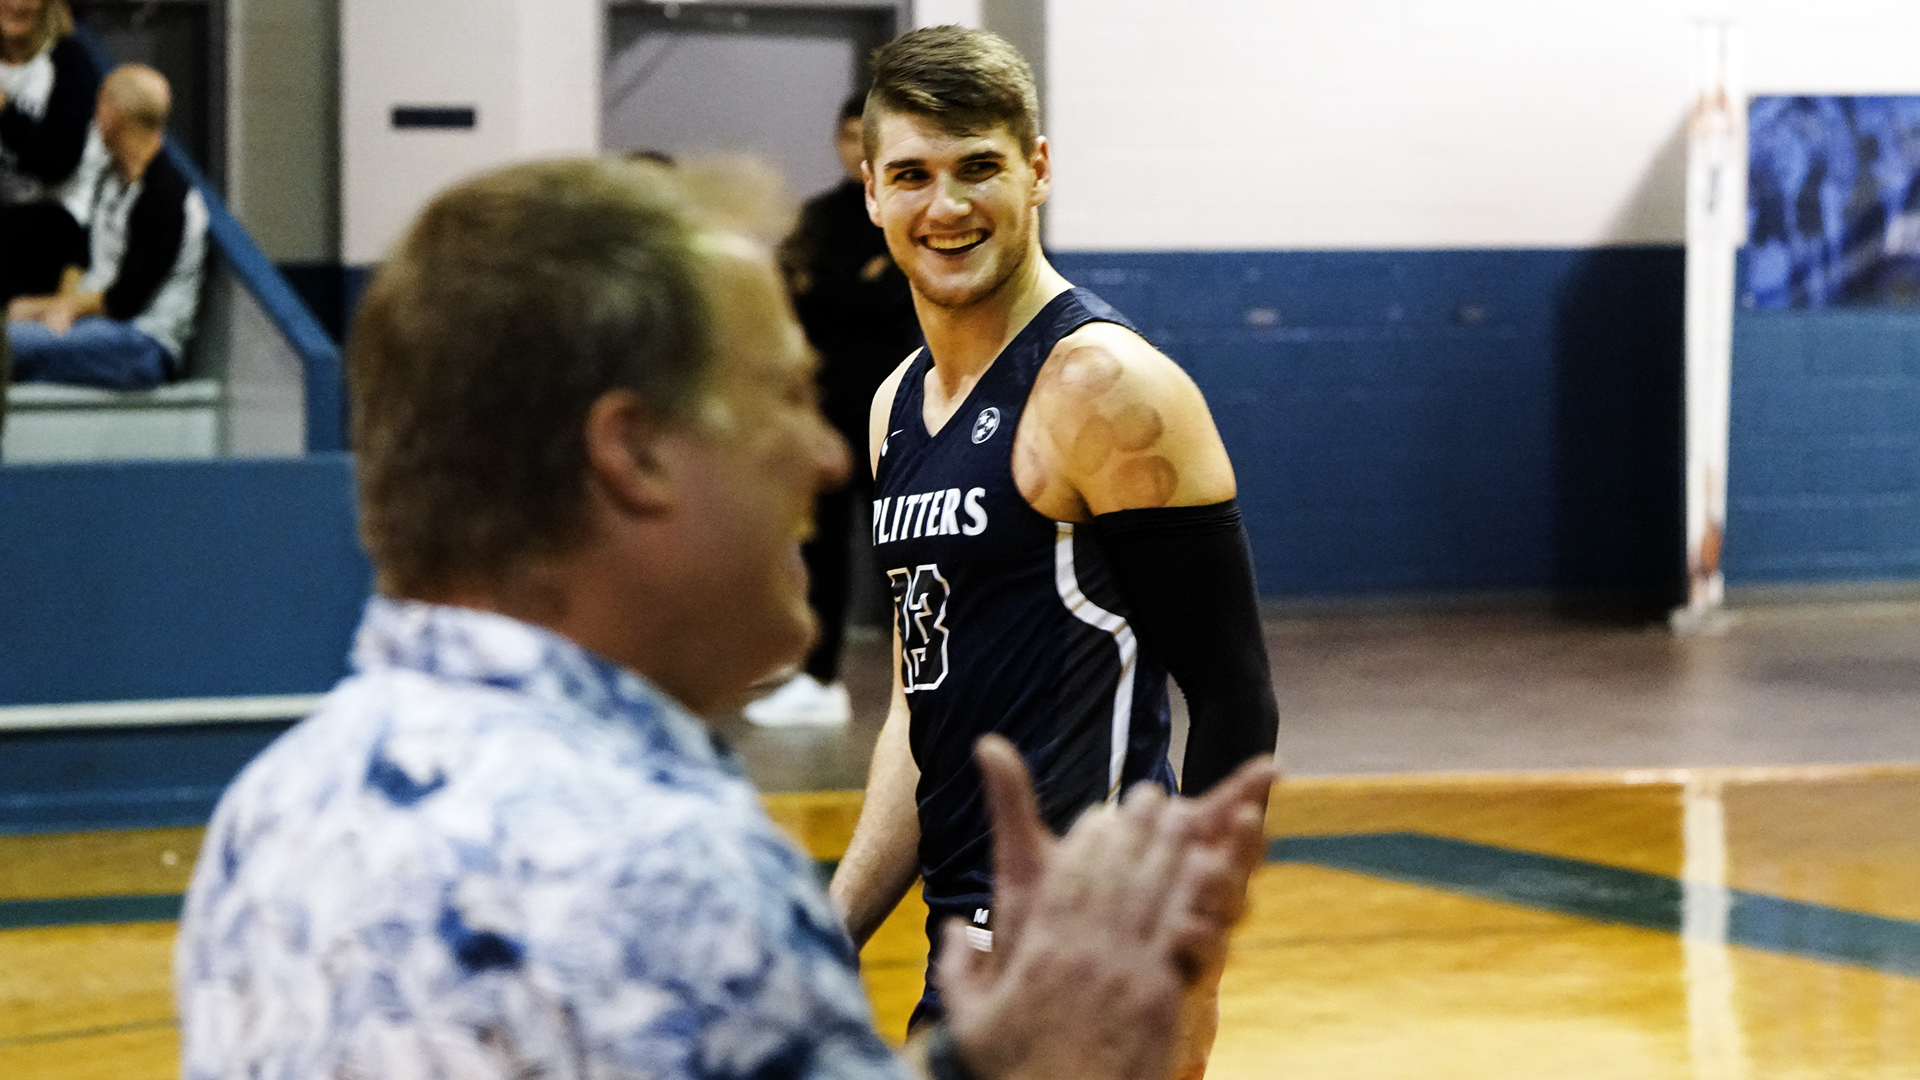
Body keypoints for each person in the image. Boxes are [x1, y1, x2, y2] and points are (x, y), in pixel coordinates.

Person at [173, 156, 1278, 1080]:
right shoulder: (671, 875)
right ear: (635, 453)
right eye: (780, 398)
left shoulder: (273, 812)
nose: (829, 454)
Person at [828, 27, 1281, 1078]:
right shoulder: (896, 404)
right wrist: (837, 920)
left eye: (978, 167)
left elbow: (1235, 698)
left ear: (1036, 168)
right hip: (967, 952)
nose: (946, 208)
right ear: (871, 193)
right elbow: (918, 703)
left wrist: (1185, 968)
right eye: (913, 176)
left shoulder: (1103, 388)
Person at [748, 91, 922, 726]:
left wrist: (836, 290)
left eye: (866, 137)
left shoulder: (907, 216)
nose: (856, 150)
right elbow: (792, 303)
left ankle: (931, 678)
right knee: (820, 550)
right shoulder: (816, 218)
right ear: (838, 142)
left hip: (891, 412)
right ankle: (817, 677)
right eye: (847, 137)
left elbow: (884, 305)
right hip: (823, 411)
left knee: (903, 549)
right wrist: (854, 285)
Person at [6, 63, 206, 389]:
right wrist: (57, 306)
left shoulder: (166, 194)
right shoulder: (110, 177)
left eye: (100, 106)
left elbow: (126, 300)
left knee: (8, 346)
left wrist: (59, 308)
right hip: (101, 328)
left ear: (115, 114)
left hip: (143, 343)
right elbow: (82, 254)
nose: (94, 118)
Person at [0, 0, 94, 306]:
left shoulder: (69, 62)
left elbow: (58, 162)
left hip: (55, 219)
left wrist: (5, 113)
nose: (15, 4)